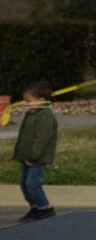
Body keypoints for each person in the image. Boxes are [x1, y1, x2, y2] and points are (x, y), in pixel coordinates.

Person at [12, 80, 58, 222]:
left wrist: (33, 156)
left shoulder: (45, 116)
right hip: (27, 156)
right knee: (24, 183)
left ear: (41, 100)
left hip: (36, 158)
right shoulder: (32, 113)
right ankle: (35, 207)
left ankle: (45, 208)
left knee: (32, 183)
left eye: (29, 101)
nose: (27, 104)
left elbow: (42, 139)